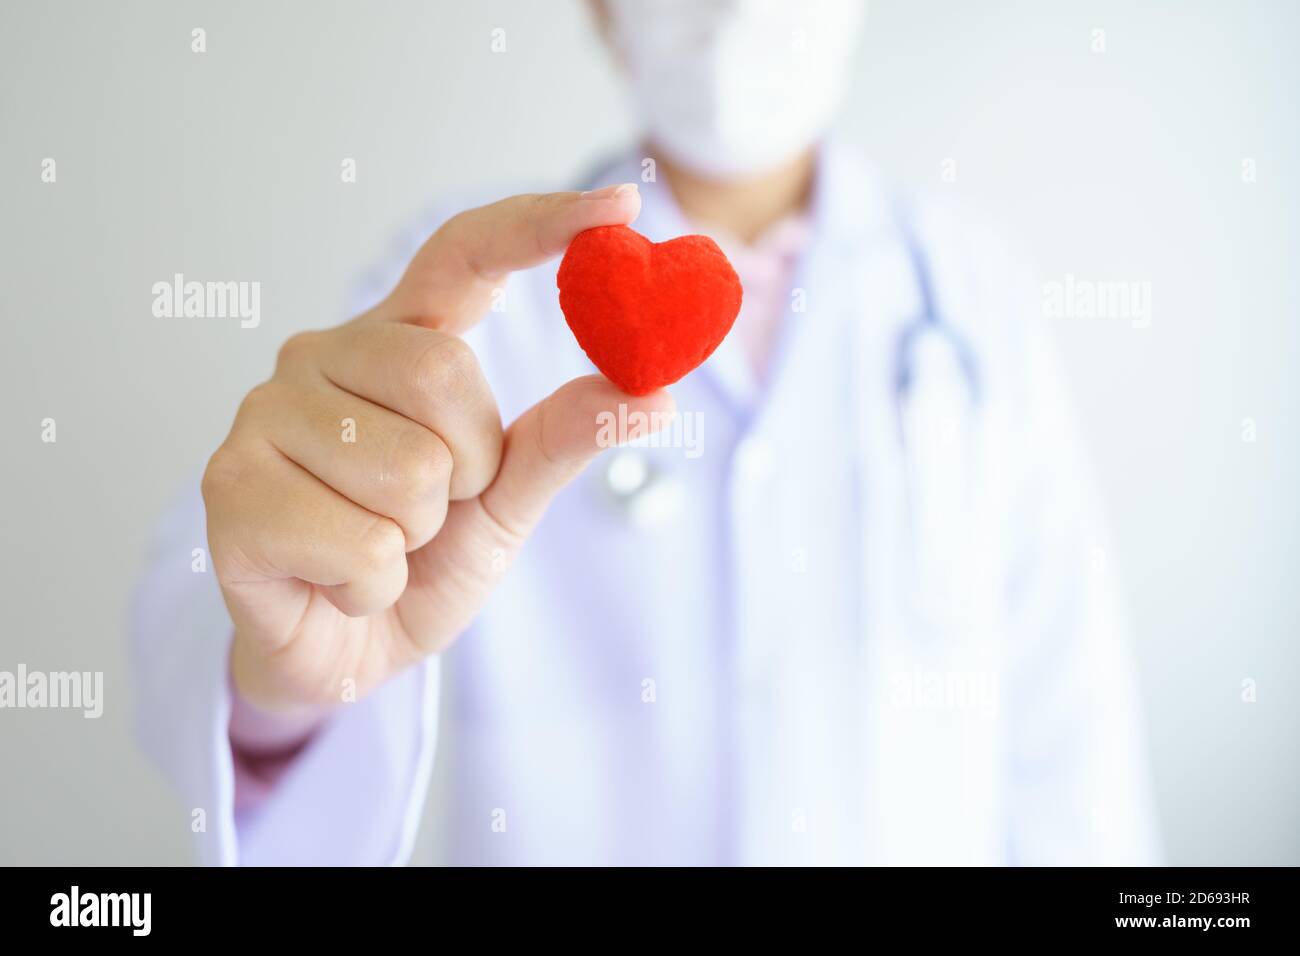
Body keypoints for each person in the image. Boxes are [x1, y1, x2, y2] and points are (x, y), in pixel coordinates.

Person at [132, 0, 1160, 865]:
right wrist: (289, 679)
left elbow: (1072, 732)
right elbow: (203, 605)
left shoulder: (973, 299)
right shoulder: (460, 297)